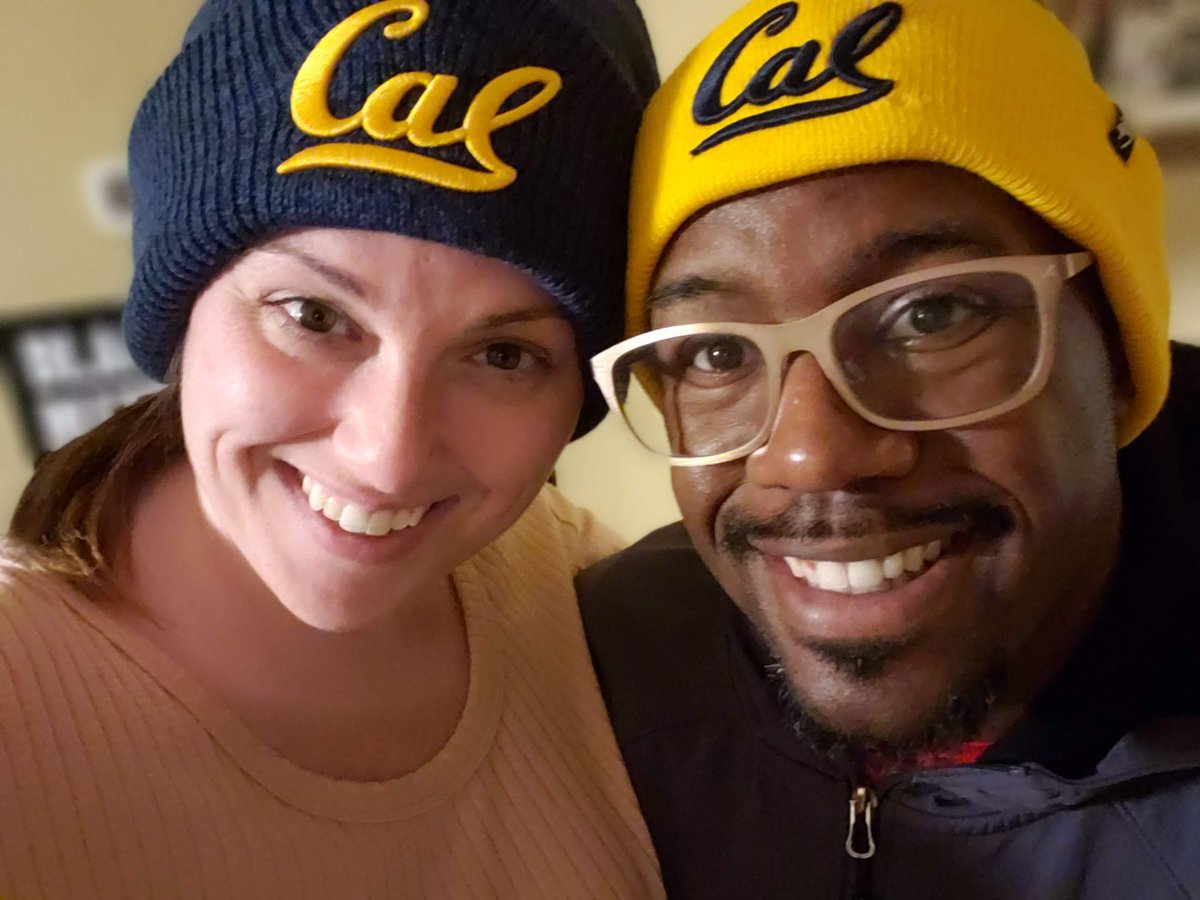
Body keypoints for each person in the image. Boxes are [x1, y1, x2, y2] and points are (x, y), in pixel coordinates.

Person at [0, 0, 665, 896]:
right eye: (314, 315)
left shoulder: (595, 605)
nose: (388, 458)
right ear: (182, 309)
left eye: (504, 355)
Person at [578, 0, 1200, 897]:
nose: (811, 456)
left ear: (1120, 354)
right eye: (716, 353)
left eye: (932, 314)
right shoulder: (601, 676)